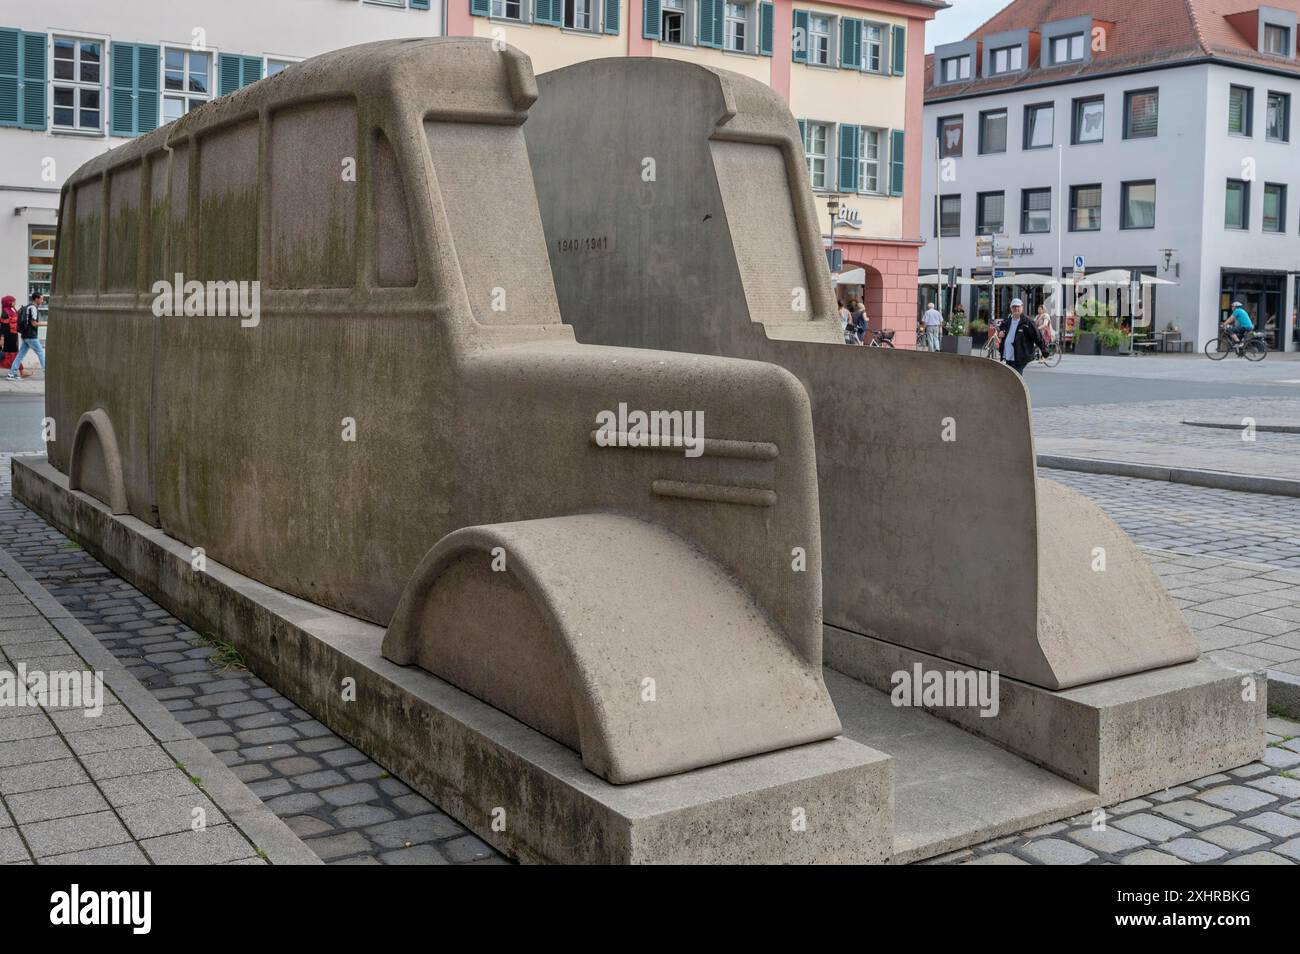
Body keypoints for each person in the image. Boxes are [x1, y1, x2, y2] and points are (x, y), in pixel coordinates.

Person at [6, 293, 45, 380]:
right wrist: (46, 324)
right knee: (40, 353)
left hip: (25, 335)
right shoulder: (33, 308)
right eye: (41, 299)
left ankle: (11, 374)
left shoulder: (27, 307)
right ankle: (48, 372)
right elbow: (34, 323)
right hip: (31, 336)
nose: (42, 301)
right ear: (36, 299)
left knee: (20, 355)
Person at [1001, 298, 1044, 375]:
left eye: (1018, 306)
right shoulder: (1008, 321)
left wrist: (1044, 351)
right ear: (1011, 308)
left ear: (1022, 307)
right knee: (1011, 377)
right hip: (1008, 355)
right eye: (1014, 307)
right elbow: (1002, 328)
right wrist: (1001, 332)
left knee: (1017, 377)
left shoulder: (1027, 322)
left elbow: (1038, 337)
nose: (1016, 308)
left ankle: (1019, 387)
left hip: (1021, 355)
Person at [0, 296, 19, 374]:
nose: (15, 303)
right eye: (13, 301)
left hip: (14, 334)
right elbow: (4, 327)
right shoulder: (5, 312)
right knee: (11, 353)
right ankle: (13, 372)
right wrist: (2, 338)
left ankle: (14, 371)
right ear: (9, 302)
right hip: (9, 336)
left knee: (14, 353)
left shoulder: (12, 310)